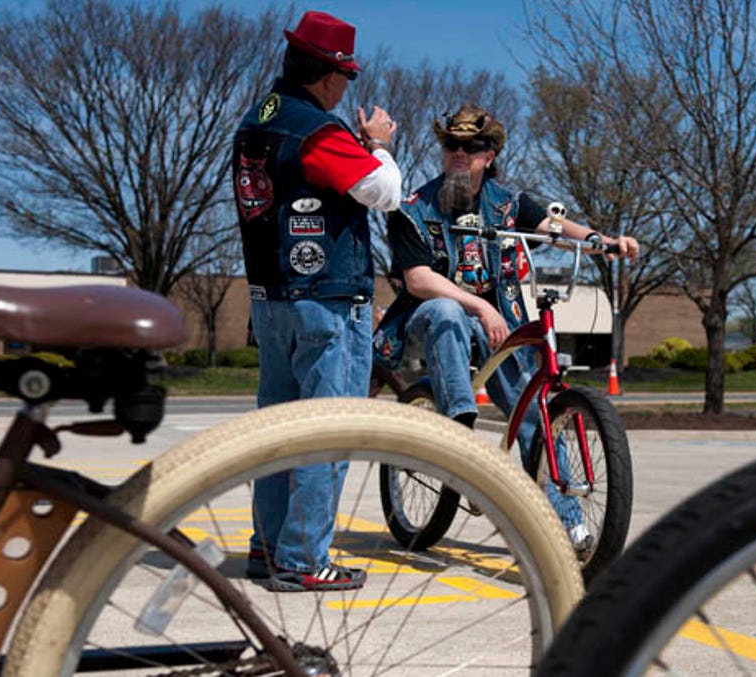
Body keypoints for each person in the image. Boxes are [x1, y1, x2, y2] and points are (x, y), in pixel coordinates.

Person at [372, 104, 639, 555]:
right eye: (451, 145)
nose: (460, 153)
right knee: (446, 313)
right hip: (434, 319)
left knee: (535, 413)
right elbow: (417, 280)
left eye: (471, 146)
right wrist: (477, 305)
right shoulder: (413, 208)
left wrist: (601, 242)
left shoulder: (509, 203)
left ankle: (569, 527)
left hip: (500, 324)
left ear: (489, 154)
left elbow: (554, 225)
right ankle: (460, 434)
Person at [231, 10, 400, 592]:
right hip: (326, 300)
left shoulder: (259, 119)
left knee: (278, 430)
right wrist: (376, 145)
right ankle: (303, 560)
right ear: (328, 75)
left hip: (269, 296)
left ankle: (268, 547)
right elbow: (382, 190)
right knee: (327, 433)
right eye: (346, 77)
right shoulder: (315, 130)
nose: (346, 88)